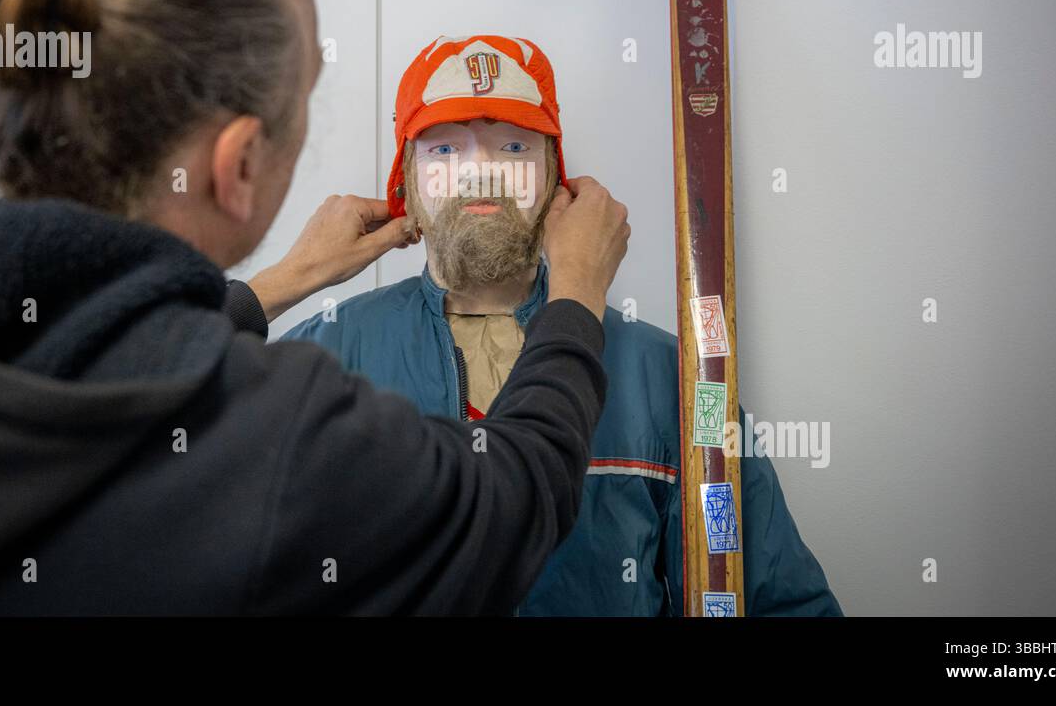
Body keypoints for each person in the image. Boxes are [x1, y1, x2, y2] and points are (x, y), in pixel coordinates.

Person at [0, 0, 632, 615]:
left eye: (514, 145)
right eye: (308, 90)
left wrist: (278, 283)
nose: (482, 170)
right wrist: (580, 295)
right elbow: (506, 506)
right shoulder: (288, 428)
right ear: (240, 164)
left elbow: (106, 342)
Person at [283, 34, 843, 615]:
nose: (481, 172)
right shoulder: (318, 361)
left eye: (514, 145)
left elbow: (779, 601)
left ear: (557, 183)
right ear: (405, 187)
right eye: (444, 150)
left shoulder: (673, 380)